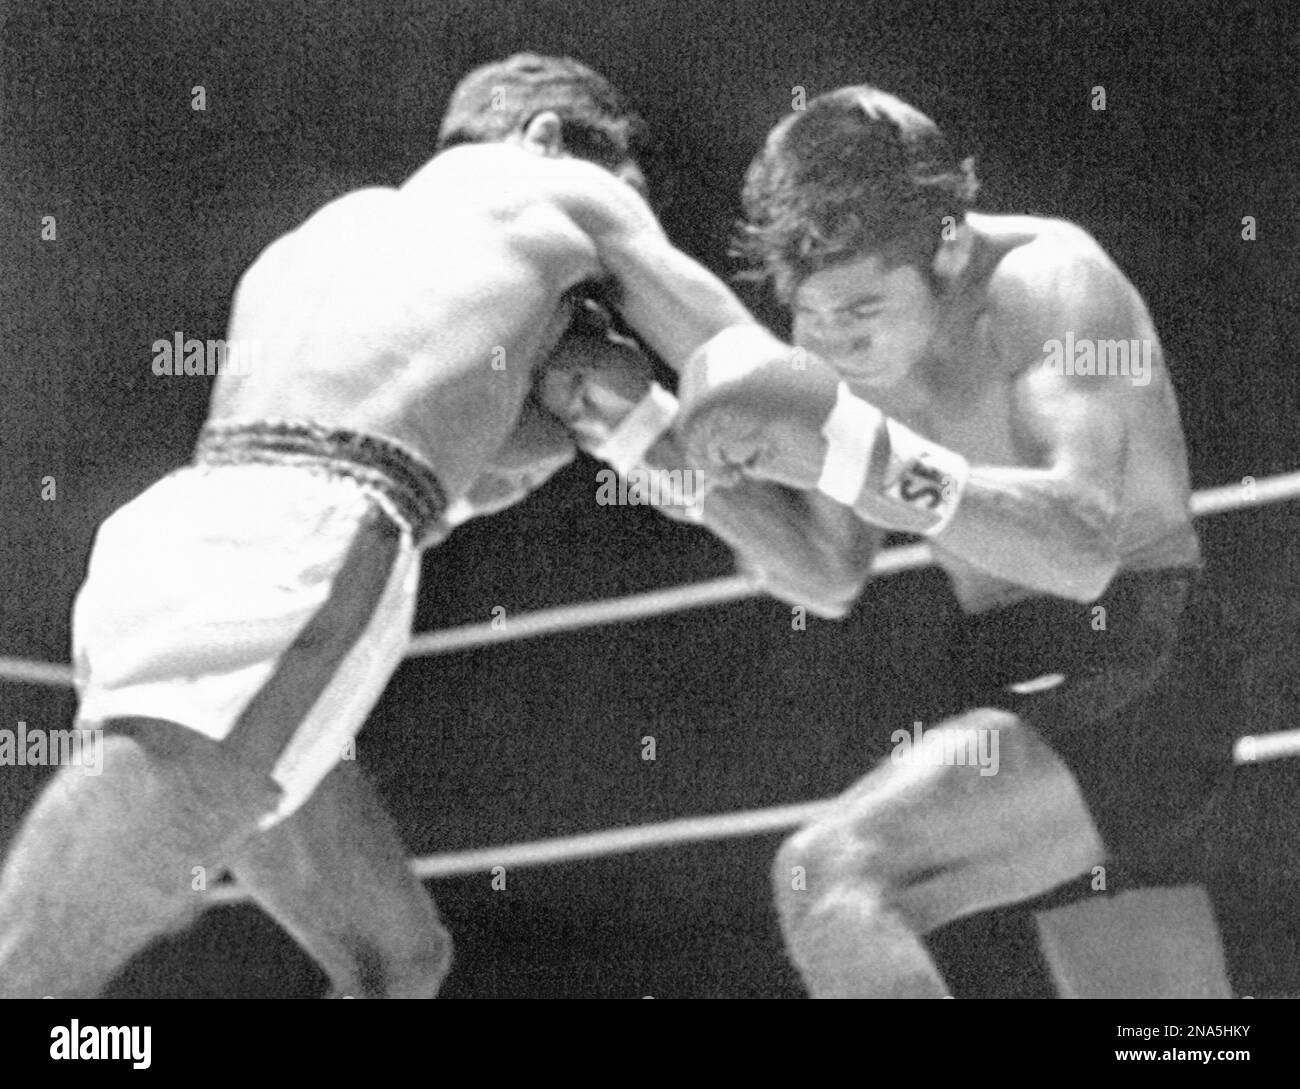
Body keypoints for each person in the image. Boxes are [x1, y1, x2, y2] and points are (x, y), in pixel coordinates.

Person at [0, 54, 868, 1000]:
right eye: (630, 189)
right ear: (544, 136)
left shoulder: (341, 241)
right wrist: (842, 371)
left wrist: (634, 426)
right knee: (45, 965)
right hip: (306, 541)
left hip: (185, 535)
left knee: (395, 962)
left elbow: (559, 435)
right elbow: (757, 390)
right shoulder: (562, 193)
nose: (601, 290)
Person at [663, 84, 1245, 998]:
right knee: (1157, 1024)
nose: (836, 343)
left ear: (946, 241)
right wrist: (670, 458)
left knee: (830, 874)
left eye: (863, 312)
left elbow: (1082, 544)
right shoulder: (834, 345)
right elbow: (829, 571)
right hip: (1014, 686)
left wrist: (861, 455)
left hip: (1140, 657)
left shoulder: (1048, 279)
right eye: (812, 316)